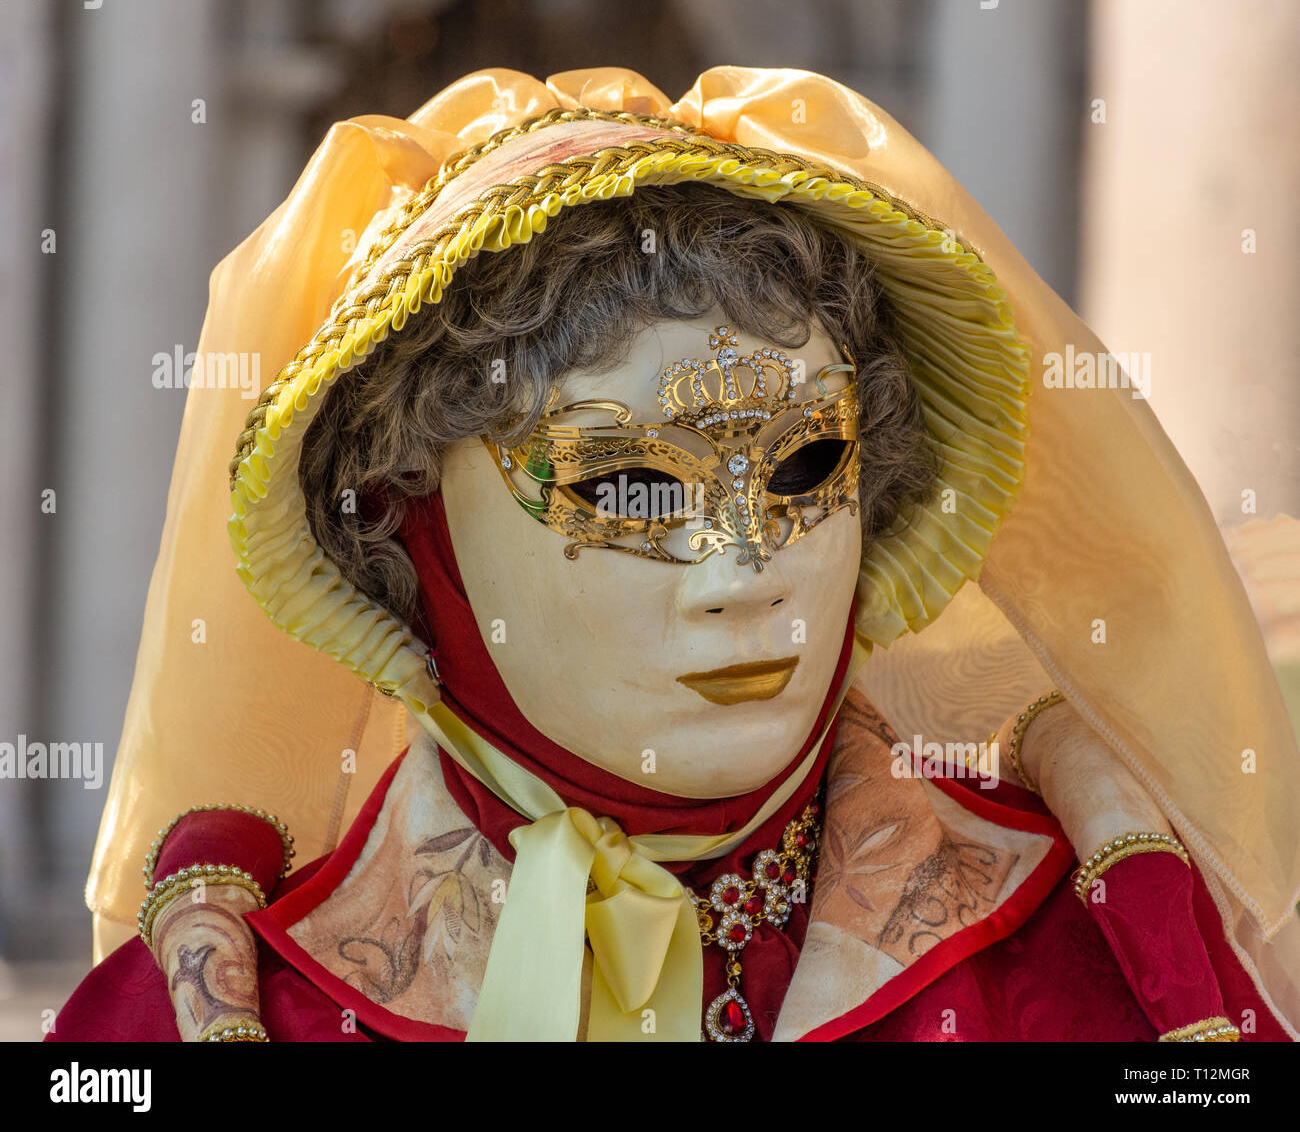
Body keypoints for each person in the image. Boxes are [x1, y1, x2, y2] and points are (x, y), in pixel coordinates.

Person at [50, 67, 1299, 1042]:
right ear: (403, 517)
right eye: (632, 484)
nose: (746, 570)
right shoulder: (213, 1009)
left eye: (807, 468)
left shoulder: (1099, 960)